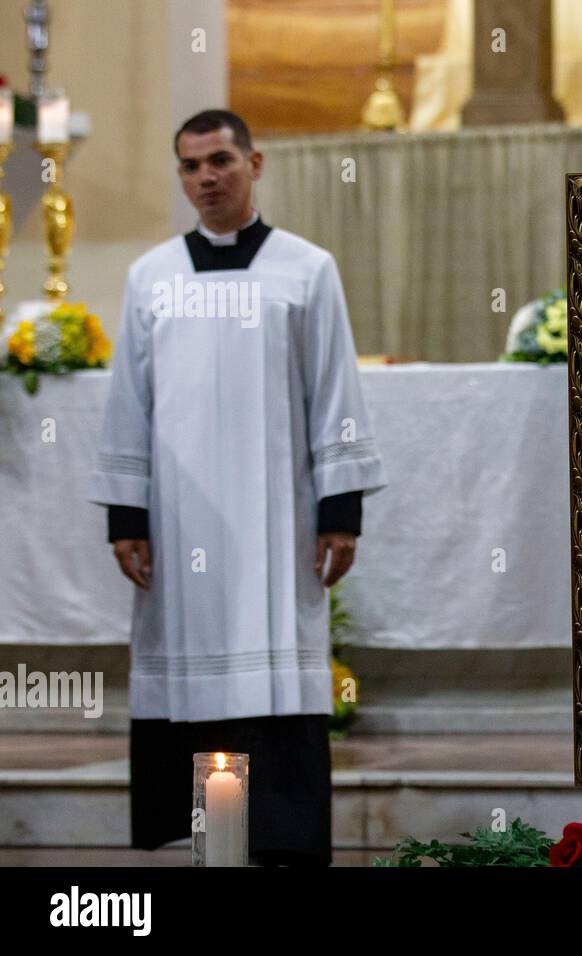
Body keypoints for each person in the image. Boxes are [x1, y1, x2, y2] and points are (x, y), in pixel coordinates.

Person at [88, 109, 387, 866]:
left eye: (219, 160)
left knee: (276, 667)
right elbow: (129, 400)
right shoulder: (151, 276)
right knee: (186, 671)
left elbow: (335, 393)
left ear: (255, 163)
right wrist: (128, 514)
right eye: (189, 166)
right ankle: (198, 844)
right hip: (180, 525)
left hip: (277, 526)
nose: (205, 178)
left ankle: (281, 847)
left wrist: (340, 512)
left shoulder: (305, 268)